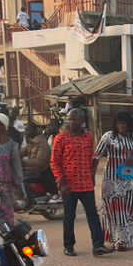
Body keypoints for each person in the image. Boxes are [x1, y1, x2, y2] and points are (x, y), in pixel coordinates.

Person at [50, 109, 107, 257]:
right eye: (71, 119)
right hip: (69, 185)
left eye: (77, 119)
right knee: (69, 216)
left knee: (93, 215)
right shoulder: (61, 138)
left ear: (83, 121)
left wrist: (92, 176)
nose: (73, 122)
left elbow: (92, 159)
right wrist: (61, 182)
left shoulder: (88, 137)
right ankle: (68, 246)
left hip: (86, 184)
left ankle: (98, 245)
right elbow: (55, 162)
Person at [95, 111, 133, 251]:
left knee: (129, 208)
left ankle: (129, 239)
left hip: (127, 180)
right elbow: (97, 156)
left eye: (124, 123)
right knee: (116, 210)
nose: (122, 125)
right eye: (119, 123)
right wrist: (91, 175)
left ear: (129, 125)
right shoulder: (108, 137)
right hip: (112, 180)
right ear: (115, 124)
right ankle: (119, 240)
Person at [21, 123, 54, 192]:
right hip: (32, 171)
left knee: (20, 180)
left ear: (34, 130)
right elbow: (21, 152)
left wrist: (22, 162)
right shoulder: (32, 142)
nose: (25, 132)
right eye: (25, 130)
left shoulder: (42, 143)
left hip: (40, 173)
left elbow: (40, 162)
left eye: (27, 130)